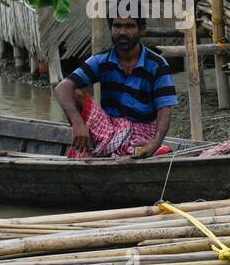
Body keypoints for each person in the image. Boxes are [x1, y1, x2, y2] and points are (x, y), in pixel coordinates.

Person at [54, 12, 177, 158]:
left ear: (142, 29)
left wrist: (155, 142)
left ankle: (109, 152)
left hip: (142, 134)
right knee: (73, 93)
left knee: (153, 152)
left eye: (129, 26)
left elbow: (165, 110)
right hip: (108, 129)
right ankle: (92, 149)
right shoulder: (101, 60)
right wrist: (77, 124)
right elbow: (61, 88)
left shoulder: (157, 65)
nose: (122, 32)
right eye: (117, 26)